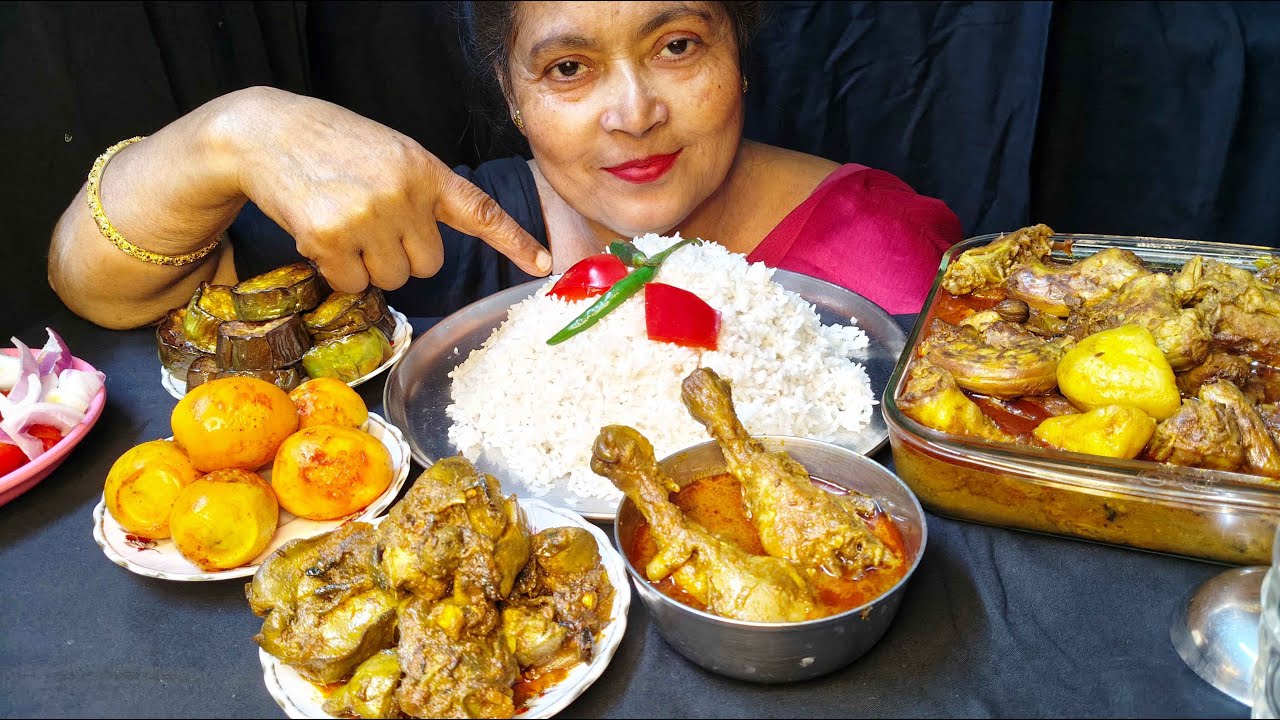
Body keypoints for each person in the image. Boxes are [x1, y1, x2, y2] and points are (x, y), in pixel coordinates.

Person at [48, 0, 962, 329]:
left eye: (679, 46)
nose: (634, 112)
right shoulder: (438, 234)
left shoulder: (874, 250)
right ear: (511, 89)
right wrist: (231, 131)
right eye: (569, 68)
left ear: (740, 53)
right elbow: (104, 289)